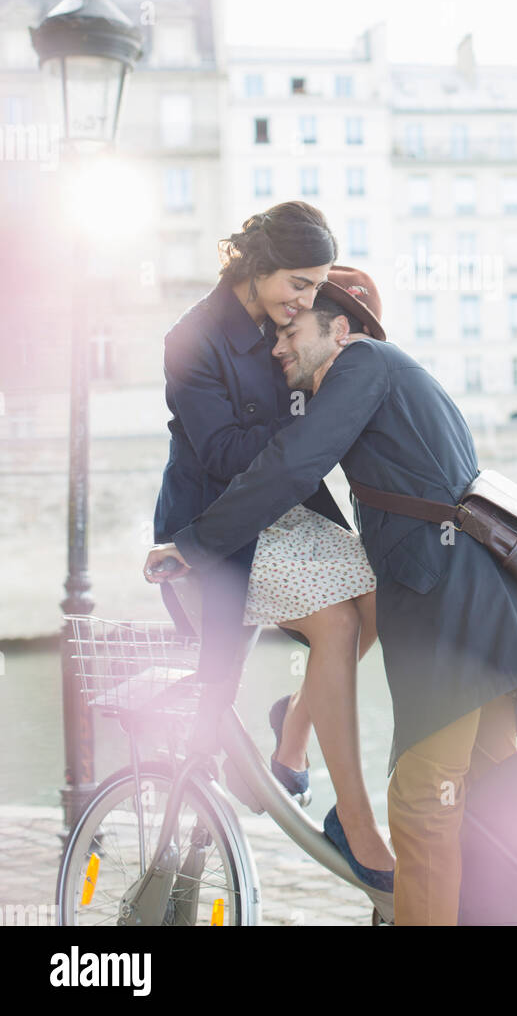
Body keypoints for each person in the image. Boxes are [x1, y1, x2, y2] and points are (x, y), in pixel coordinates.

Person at [145, 270, 517, 926]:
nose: (278, 346)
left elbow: (295, 462)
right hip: (483, 605)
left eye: (292, 330)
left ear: (339, 330)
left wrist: (199, 543)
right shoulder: (388, 379)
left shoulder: (363, 363)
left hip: (450, 611)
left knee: (420, 810)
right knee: (497, 804)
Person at [152, 203, 394, 882]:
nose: (307, 300)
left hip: (290, 510)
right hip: (222, 524)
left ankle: (293, 728)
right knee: (339, 627)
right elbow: (226, 451)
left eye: (316, 286)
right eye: (297, 284)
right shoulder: (191, 340)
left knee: (383, 598)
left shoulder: (300, 312)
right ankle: (348, 819)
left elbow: (359, 348)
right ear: (256, 268)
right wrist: (314, 440)